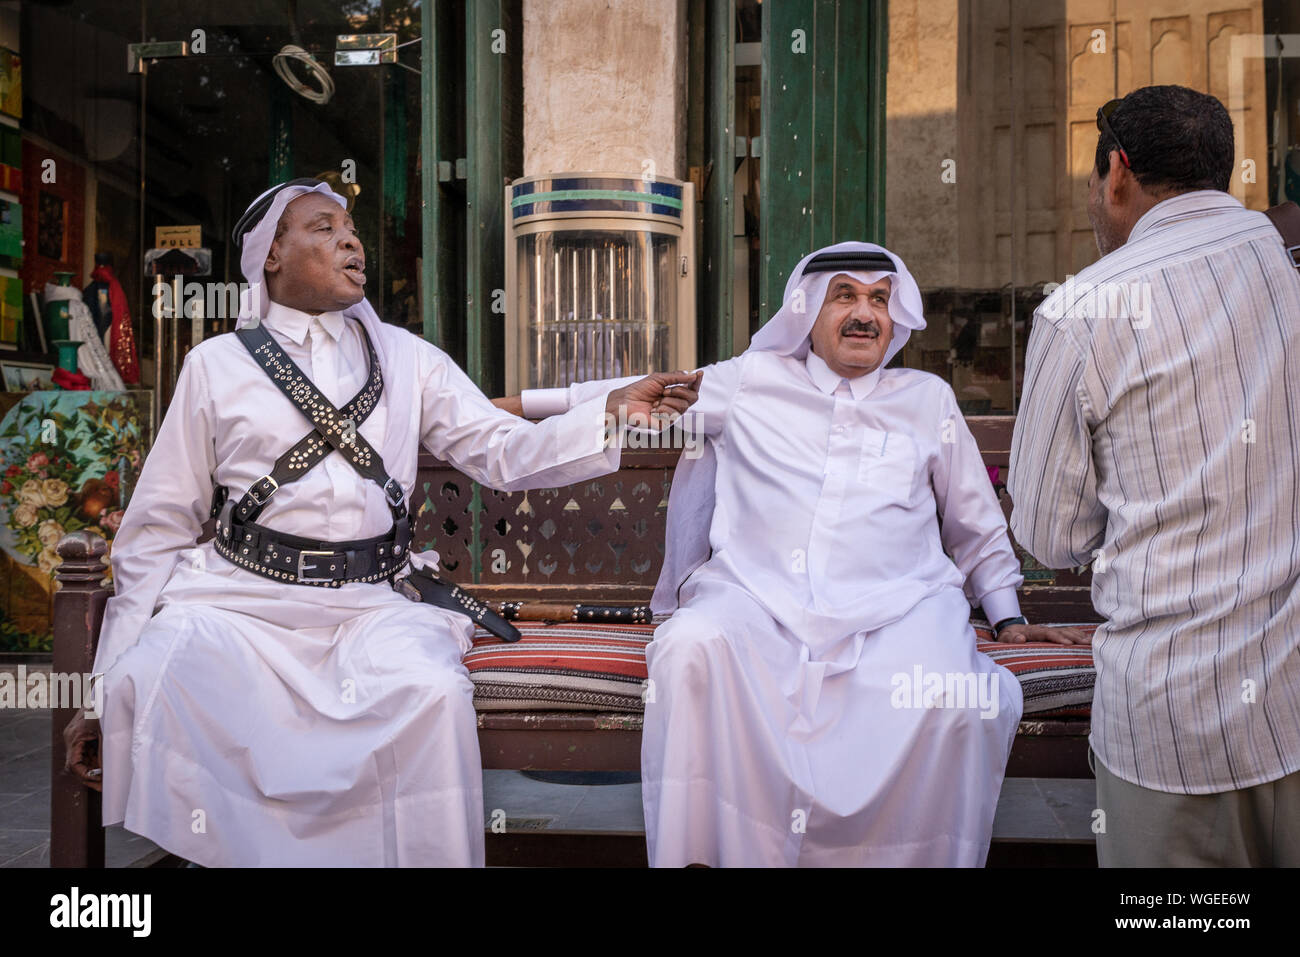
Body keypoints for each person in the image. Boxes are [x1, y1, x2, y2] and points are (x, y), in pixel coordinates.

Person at [61, 178, 699, 867]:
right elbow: (156, 525)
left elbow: (503, 449)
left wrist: (606, 411)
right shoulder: (215, 366)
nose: (349, 239)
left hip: (377, 604)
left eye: (351, 228)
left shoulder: (407, 357)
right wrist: (100, 688)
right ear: (269, 257)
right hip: (240, 605)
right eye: (322, 227)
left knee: (428, 694)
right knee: (158, 669)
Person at [513, 240, 1086, 866]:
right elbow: (619, 398)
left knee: (948, 696)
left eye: (880, 300)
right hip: (757, 603)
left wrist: (1007, 618)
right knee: (690, 649)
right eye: (845, 296)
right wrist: (491, 413)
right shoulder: (750, 381)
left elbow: (974, 521)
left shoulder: (926, 399)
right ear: (806, 310)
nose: (865, 314)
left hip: (901, 609)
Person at [1009, 85, 1300, 867]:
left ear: (1117, 171)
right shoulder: (1287, 272)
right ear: (1227, 171)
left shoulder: (1083, 311)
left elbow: (1050, 535)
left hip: (1172, 727)